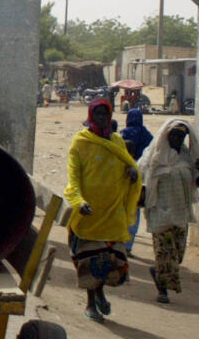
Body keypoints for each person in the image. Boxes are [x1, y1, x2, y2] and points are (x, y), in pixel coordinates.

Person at [64, 99, 141, 323]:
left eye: (104, 114)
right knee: (91, 261)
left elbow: (130, 166)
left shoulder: (117, 141)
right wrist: (78, 201)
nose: (101, 118)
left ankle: (100, 292)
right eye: (97, 114)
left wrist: (132, 174)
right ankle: (90, 302)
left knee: (112, 261)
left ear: (110, 117)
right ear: (90, 116)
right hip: (89, 214)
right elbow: (73, 176)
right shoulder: (81, 142)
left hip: (112, 213)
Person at [138, 118, 199, 304]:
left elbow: (193, 186)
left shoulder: (187, 157)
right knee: (164, 253)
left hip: (181, 212)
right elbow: (142, 178)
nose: (177, 138)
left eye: (181, 135)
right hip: (160, 211)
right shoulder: (156, 156)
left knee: (177, 255)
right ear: (167, 135)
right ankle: (162, 291)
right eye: (174, 134)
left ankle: (157, 271)